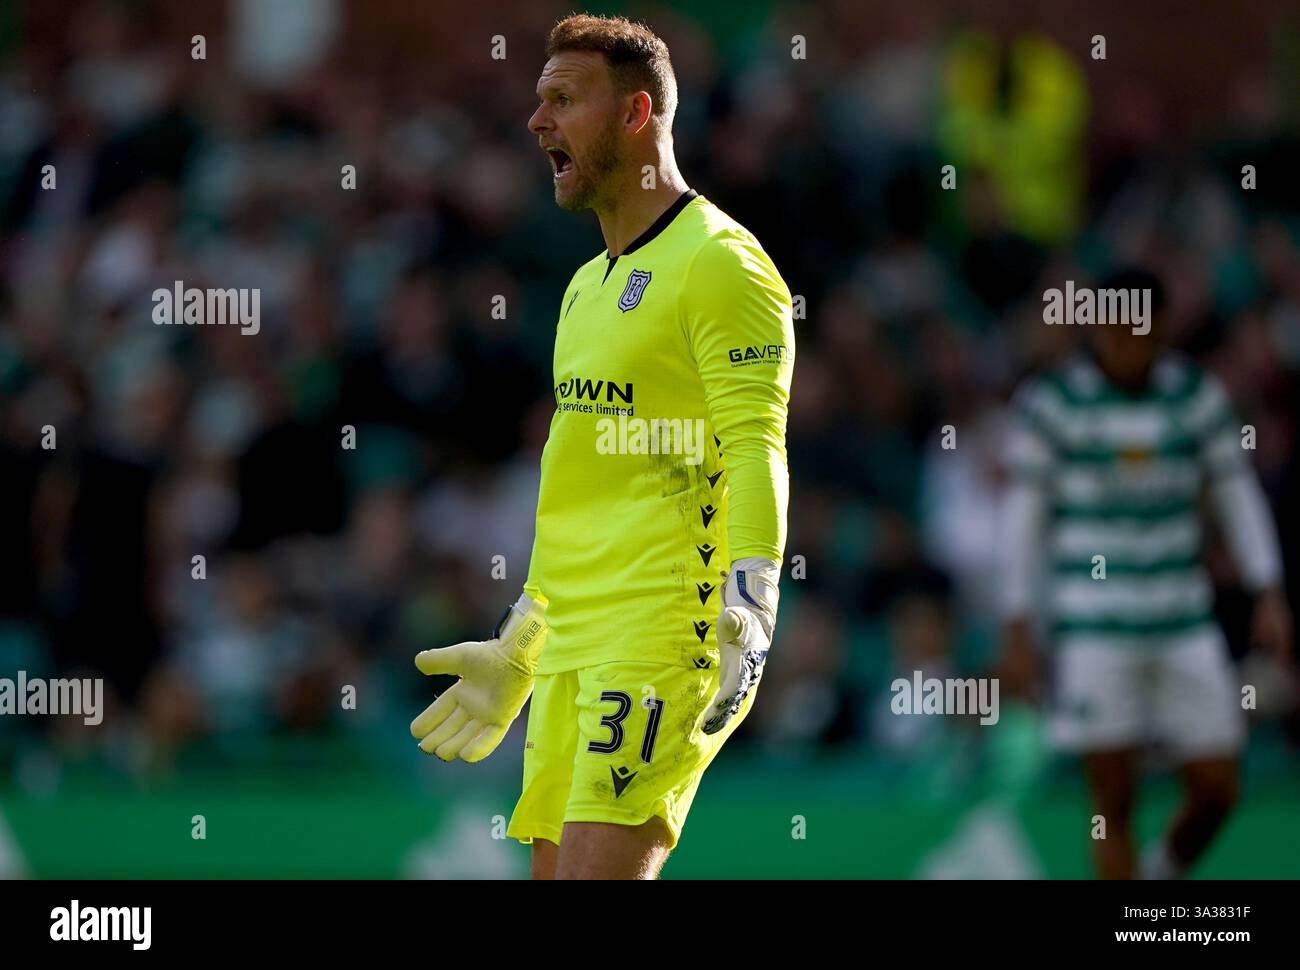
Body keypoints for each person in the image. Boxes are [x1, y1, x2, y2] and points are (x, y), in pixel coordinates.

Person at [409, 13, 795, 880]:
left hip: (667, 626)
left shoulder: (721, 263)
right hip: (573, 642)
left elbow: (754, 438)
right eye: (538, 100)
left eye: (562, 100)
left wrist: (756, 593)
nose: (537, 122)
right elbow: (579, 487)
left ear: (635, 114)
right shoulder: (586, 287)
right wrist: (525, 640)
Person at [999, 267, 1293, 878]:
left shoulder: (1196, 399)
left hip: (1182, 619)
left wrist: (1269, 589)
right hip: (1095, 629)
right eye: (1116, 331)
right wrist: (1017, 622)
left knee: (1218, 786)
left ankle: (1157, 880)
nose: (1129, 345)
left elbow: (1237, 497)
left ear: (1162, 330)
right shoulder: (1054, 405)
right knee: (1113, 801)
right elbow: (1021, 520)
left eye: (1143, 332)